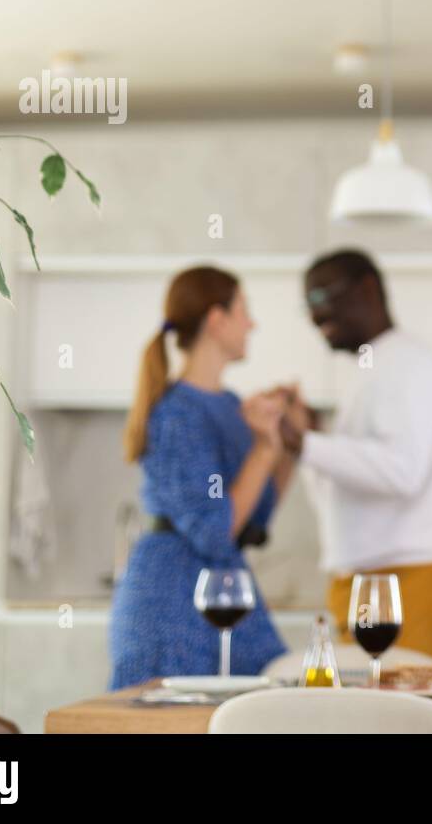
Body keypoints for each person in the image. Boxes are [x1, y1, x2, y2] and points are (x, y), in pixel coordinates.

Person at [109, 266, 299, 689]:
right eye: (243, 310)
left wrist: (282, 444)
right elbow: (215, 530)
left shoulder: (232, 405)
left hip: (221, 585)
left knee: (269, 702)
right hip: (173, 595)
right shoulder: (176, 413)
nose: (252, 324)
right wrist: (263, 449)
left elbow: (254, 519)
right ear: (217, 319)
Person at [287, 249, 432, 658]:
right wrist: (310, 439)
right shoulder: (376, 366)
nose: (314, 317)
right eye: (308, 305)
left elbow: (403, 472)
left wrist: (306, 444)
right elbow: (344, 491)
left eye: (320, 299)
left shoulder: (408, 363)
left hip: (403, 578)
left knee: (389, 716)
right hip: (368, 577)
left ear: (366, 289)